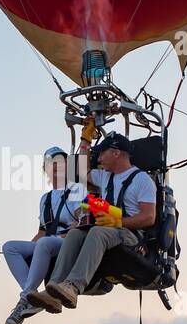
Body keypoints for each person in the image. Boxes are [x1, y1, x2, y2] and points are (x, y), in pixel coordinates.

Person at [27, 132, 157, 313]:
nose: (100, 159)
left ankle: (73, 286)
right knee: (75, 234)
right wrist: (85, 140)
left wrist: (118, 221)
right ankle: (54, 290)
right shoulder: (104, 177)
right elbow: (80, 171)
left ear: (116, 153)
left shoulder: (142, 180)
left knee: (97, 232)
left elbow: (149, 217)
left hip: (130, 234)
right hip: (107, 229)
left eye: (102, 153)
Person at [2, 147, 76, 324]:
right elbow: (42, 231)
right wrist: (28, 253)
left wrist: (62, 236)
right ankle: (32, 294)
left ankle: (26, 299)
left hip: (69, 240)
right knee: (10, 247)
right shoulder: (46, 198)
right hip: (48, 242)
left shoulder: (77, 190)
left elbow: (82, 223)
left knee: (44, 243)